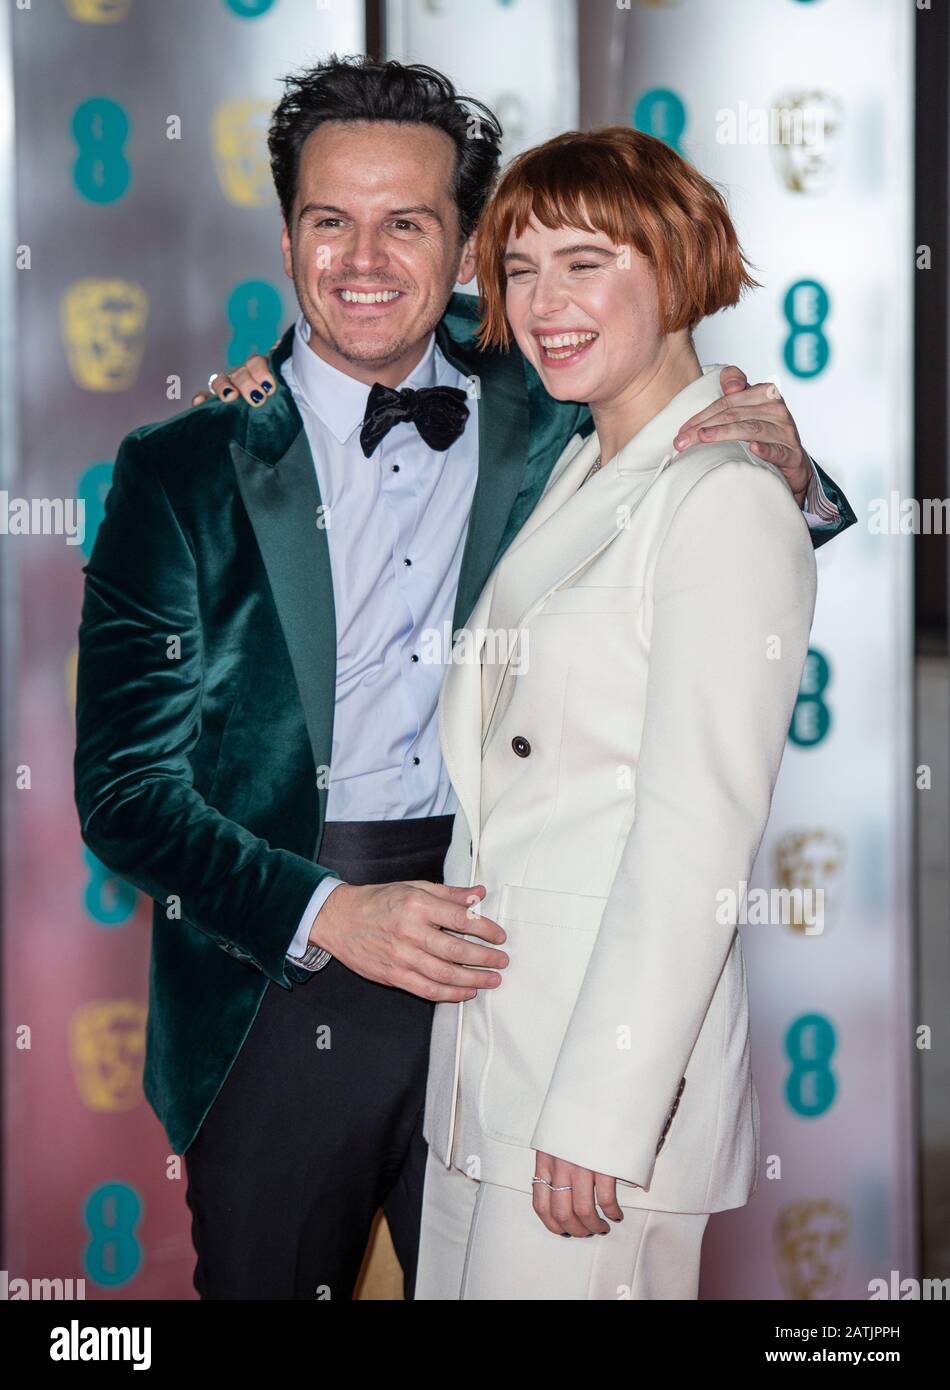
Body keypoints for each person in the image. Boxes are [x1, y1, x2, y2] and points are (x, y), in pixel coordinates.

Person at [75, 56, 853, 1303]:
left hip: (517, 948)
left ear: (465, 247)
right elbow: (122, 789)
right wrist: (328, 911)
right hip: (280, 969)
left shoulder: (543, 392)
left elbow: (689, 523)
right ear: (285, 235)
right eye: (331, 220)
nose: (365, 258)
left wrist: (789, 473)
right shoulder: (185, 465)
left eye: (409, 223)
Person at [412, 127, 823, 1301]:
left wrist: (602, 1108)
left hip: (593, 1101)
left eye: (584, 261)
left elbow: (692, 838)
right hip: (491, 1062)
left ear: (677, 263)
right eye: (520, 269)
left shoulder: (725, 497)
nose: (542, 303)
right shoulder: (578, 460)